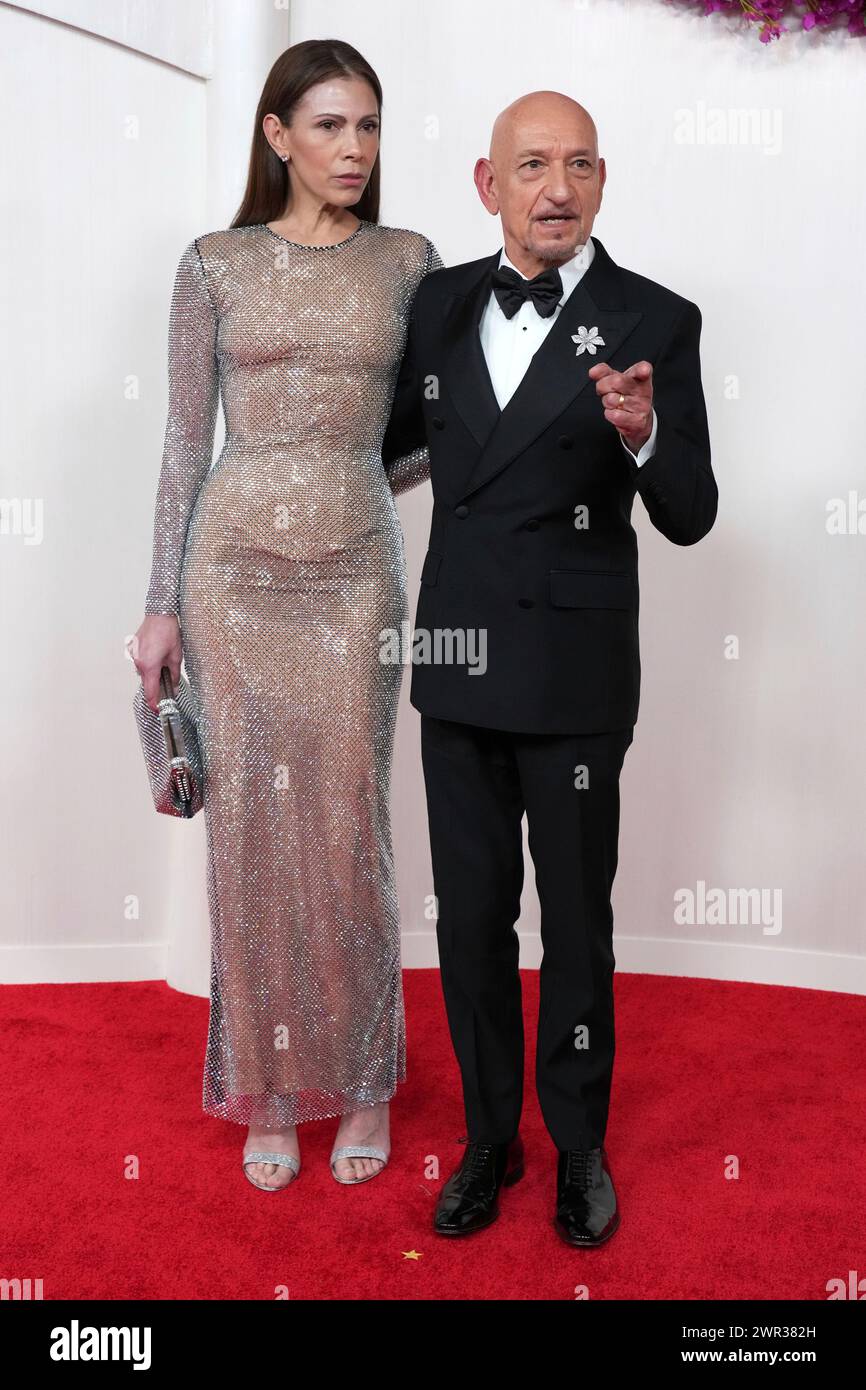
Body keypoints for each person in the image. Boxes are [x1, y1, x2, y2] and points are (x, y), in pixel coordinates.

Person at [382, 91, 717, 1244]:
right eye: (531, 165)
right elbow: (382, 457)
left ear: (602, 179)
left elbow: (689, 512)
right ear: (488, 184)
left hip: (573, 674)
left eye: (576, 164)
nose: (555, 188)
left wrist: (641, 436)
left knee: (573, 923)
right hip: (457, 661)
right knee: (470, 920)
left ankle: (577, 1146)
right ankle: (489, 1139)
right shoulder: (432, 306)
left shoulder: (654, 319)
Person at [132, 38, 442, 1191]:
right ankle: (266, 1090)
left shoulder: (408, 261)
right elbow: (180, 445)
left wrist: (351, 475)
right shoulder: (214, 263)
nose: (353, 149)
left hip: (354, 572)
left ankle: (362, 1079)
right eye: (328, 126)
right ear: (277, 136)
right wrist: (160, 603)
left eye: (366, 126)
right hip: (230, 575)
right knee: (250, 839)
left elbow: (428, 430)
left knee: (346, 825)